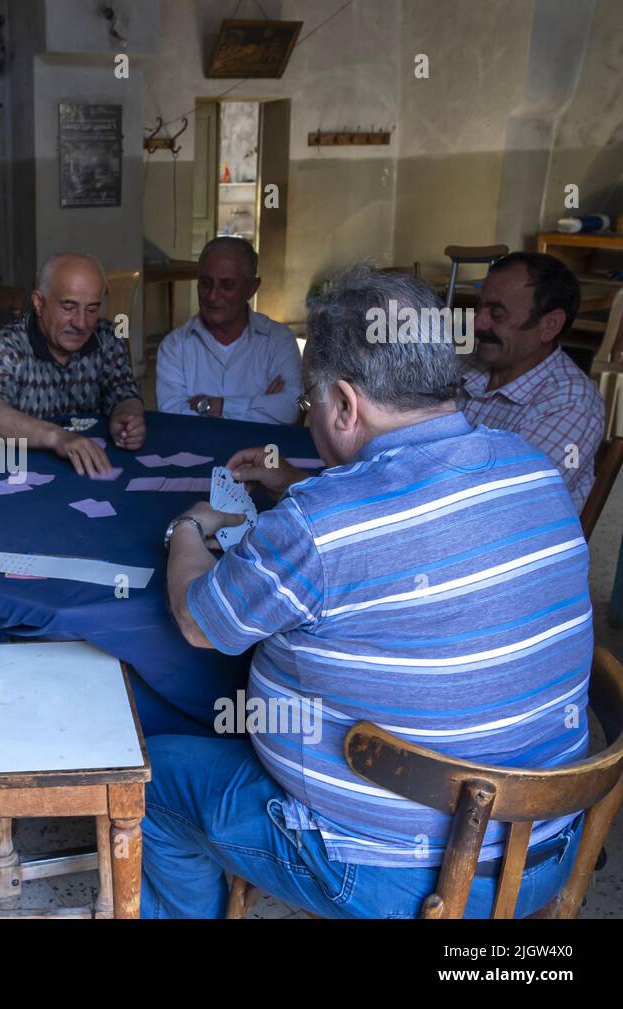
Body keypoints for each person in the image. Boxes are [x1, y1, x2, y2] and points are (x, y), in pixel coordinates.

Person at [142, 265, 589, 918]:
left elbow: (198, 622)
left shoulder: (321, 522)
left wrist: (187, 529)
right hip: (540, 852)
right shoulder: (534, 470)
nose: (311, 417)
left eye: (311, 404)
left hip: (394, 874)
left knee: (152, 780)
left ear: (345, 405)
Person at [0, 252, 145, 476]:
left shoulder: (108, 338)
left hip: (88, 471)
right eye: (68, 307)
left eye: (92, 309)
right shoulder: (8, 344)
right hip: (18, 472)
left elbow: (124, 392)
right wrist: (58, 437)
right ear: (38, 302)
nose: (81, 323)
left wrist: (128, 418)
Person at [462, 251, 604, 511]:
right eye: (480, 307)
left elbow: (508, 504)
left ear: (550, 324)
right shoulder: (464, 362)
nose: (477, 322)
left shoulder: (571, 403)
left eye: (497, 313)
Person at [155, 237, 302, 425]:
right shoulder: (174, 347)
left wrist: (212, 405)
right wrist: (261, 406)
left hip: (263, 452)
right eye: (206, 283)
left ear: (252, 288)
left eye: (227, 285)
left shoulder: (278, 340)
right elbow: (173, 419)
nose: (213, 295)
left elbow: (291, 408)